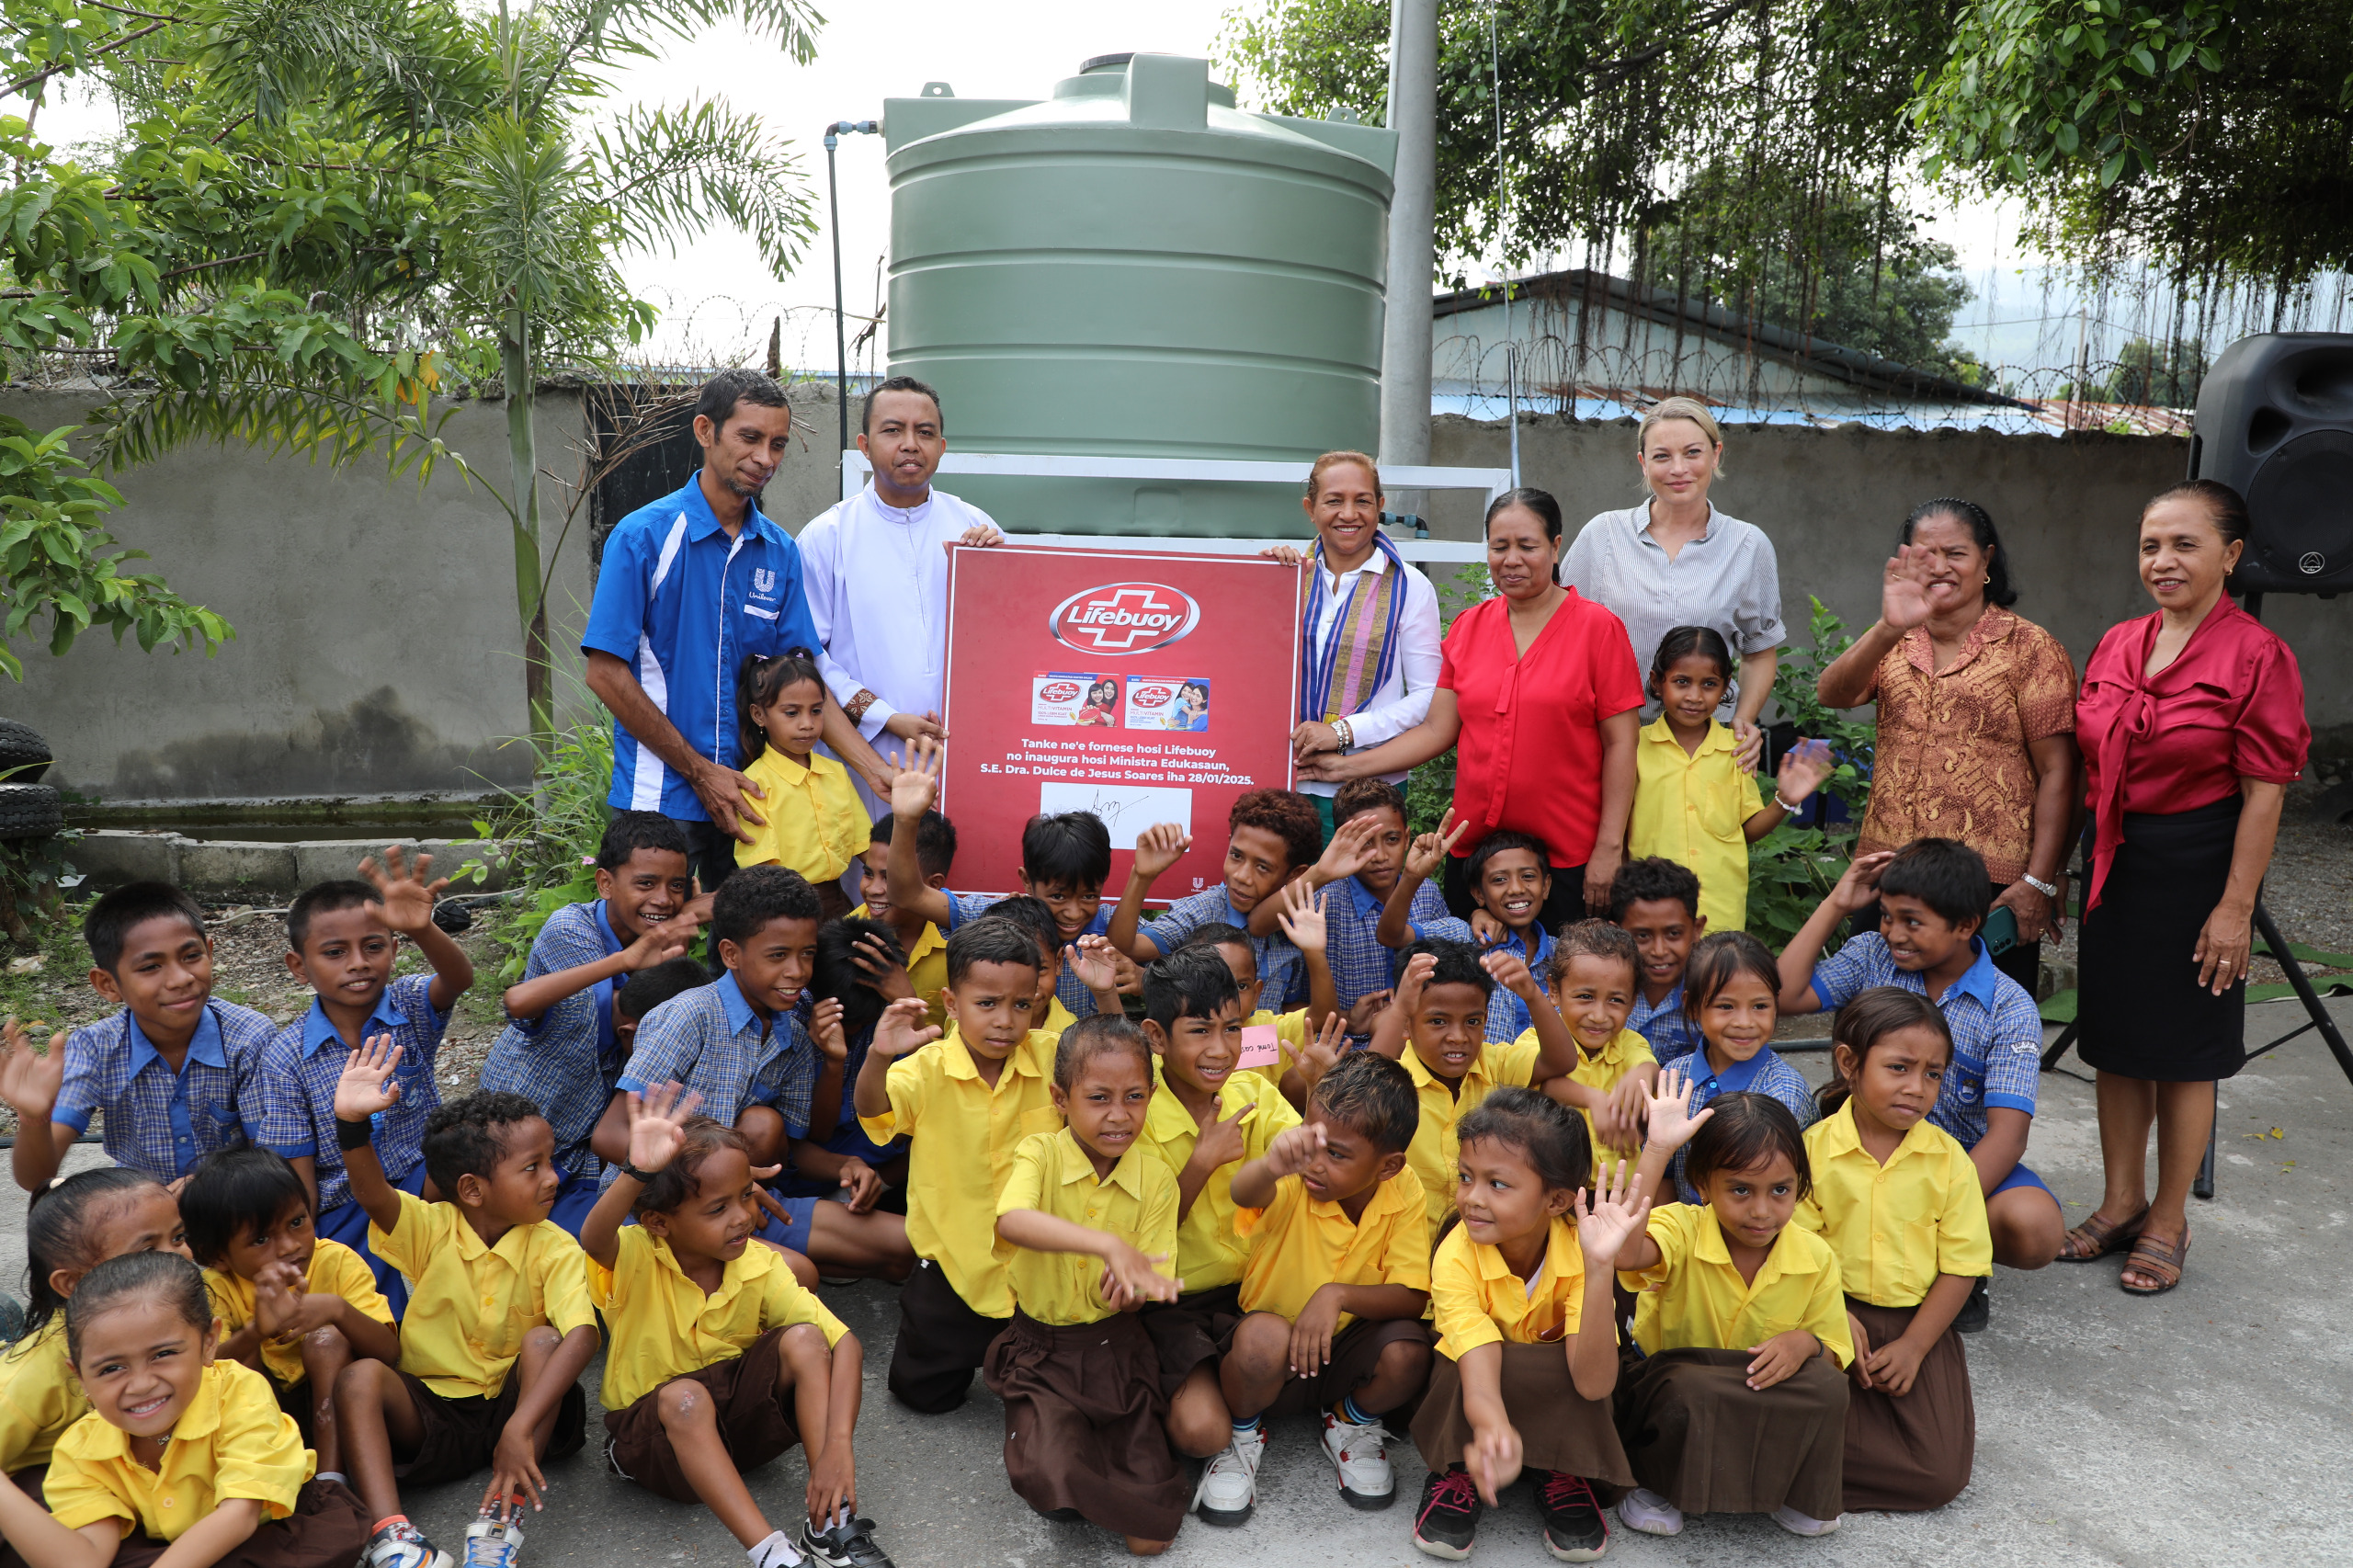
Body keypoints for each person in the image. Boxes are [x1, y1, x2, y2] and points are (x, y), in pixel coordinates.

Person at [2065, 479, 2309, 1296]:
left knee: (2183, 1052)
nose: (2162, 561)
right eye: (2150, 546)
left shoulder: (2256, 655)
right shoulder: (2117, 642)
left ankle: (2168, 1218)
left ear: (2231, 556)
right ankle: (2120, 1201)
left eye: (2184, 545)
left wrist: (2235, 908)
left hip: (2199, 863)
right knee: (2115, 1043)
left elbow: (2265, 791)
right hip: (2117, 861)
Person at [584, 369, 893, 889]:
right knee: (659, 952)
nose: (765, 458)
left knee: (754, 955)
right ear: (706, 431)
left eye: (778, 444)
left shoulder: (778, 550)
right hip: (659, 798)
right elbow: (605, 674)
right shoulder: (644, 537)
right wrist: (702, 773)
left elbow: (805, 677)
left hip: (757, 801)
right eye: (749, 438)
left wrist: (871, 769)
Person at [1302, 488, 1643, 922]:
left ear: (1556, 546)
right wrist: (1345, 767)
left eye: (1528, 546)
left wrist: (1609, 848)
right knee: (1469, 980)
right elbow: (1436, 731)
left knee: (1565, 978)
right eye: (1499, 547)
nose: (1512, 559)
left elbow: (1621, 746)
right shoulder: (1469, 628)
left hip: (1567, 858)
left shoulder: (1598, 629)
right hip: (1475, 858)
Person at [585, 1092, 887, 1568]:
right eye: (717, 1209)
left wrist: (836, 1448)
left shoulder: (759, 1264)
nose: (743, 1216)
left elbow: (845, 1342)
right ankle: (771, 1553)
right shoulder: (636, 1255)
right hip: (656, 1445)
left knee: (807, 1339)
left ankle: (828, 1522)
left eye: (746, 1194)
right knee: (685, 1398)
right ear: (658, 1223)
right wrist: (637, 1170)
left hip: (736, 1436)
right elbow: (594, 1237)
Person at [332, 1060, 600, 1568]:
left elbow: (582, 1335)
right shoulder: (430, 1228)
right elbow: (372, 1195)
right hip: (434, 1414)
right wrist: (352, 1125)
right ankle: (390, 1534)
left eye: (550, 1161)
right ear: (473, 1190)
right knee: (360, 1378)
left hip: (518, 1413)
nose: (554, 1177)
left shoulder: (556, 1246)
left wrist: (520, 1426)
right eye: (533, 1167)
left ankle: (503, 1520)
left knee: (543, 1341)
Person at [1776, 839, 2063, 1305]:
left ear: (1966, 925)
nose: (1893, 932)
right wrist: (1836, 904)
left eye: (1912, 921)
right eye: (1887, 916)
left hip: (1957, 1167)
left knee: (2035, 1227)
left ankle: (1954, 1268)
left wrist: (1938, 1210)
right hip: (1858, 1151)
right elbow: (1784, 997)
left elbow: (2008, 1136)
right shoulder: (1871, 955)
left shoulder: (2010, 1007)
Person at [1813, 498, 2080, 994]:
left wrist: (2040, 882)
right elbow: (1834, 694)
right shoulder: (1897, 636)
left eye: (1955, 553)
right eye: (1924, 554)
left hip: (1985, 885)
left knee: (1977, 1030)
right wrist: (1888, 626)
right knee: (1876, 1024)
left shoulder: (2031, 648)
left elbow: (2060, 773)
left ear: (1986, 561)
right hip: (1887, 876)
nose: (1938, 567)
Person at [608, 869, 906, 1281]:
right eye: (778, 955)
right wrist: (714, 1176)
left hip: (744, 1200)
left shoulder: (795, 1038)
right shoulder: (688, 1016)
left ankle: (763, 1256)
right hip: (661, 1210)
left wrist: (846, 1164)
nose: (798, 972)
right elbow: (610, 1135)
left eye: (807, 954)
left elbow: (796, 1148)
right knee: (799, 1276)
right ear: (731, 954)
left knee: (909, 1248)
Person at [0, 1252, 369, 1567]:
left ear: (209, 1343)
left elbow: (239, 1516)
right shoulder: (81, 1449)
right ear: (79, 1376)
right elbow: (88, 1557)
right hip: (173, 1552)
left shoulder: (237, 1392)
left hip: (273, 1534)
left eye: (163, 1355)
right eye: (111, 1368)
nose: (141, 1384)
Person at [1612, 1078, 1853, 1539]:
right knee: (1688, 1388)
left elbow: (1836, 1346)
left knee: (1827, 1387)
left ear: (1800, 1186)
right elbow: (1624, 1253)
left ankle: (1793, 1493)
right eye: (1740, 1190)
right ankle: (1657, 1487)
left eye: (1780, 1190)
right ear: (1702, 1185)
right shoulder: (1681, 1227)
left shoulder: (1815, 1255)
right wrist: (1658, 1149)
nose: (1762, 1210)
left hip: (1759, 1386)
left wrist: (1804, 1343)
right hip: (1675, 1385)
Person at [1408, 1090, 1641, 1562]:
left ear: (1556, 1200)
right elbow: (1478, 1354)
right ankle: (1459, 1469)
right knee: (1452, 1362)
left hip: (1562, 1390)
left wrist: (1600, 1271)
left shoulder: (1583, 1247)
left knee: (1564, 1364)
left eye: (1498, 1184)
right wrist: (1491, 1425)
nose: (1471, 1198)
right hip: (1476, 1383)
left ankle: (1563, 1468)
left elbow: (1594, 1383)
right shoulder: (1456, 1256)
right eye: (1466, 1177)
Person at [986, 1017, 1190, 1555]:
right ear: (1060, 1097)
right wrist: (1106, 1245)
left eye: (1134, 1097)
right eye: (1099, 1097)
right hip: (1041, 1353)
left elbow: (1146, 1281)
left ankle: (1113, 1449)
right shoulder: (1041, 1154)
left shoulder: (1157, 1180)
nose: (1119, 1115)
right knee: (1052, 1483)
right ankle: (1053, 1437)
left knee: (1149, 1539)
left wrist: (1130, 1292)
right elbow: (1011, 1221)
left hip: (1115, 1353)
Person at [1129, 948, 1312, 1524]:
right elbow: (1135, 1238)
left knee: (1264, 1349)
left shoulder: (1250, 1095)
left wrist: (1317, 1090)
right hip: (1171, 1301)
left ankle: (1248, 1425)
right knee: (1201, 1431)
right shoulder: (1133, 1110)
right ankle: (1230, 1418)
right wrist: (1201, 1161)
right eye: (1199, 1030)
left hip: (1251, 1291)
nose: (1221, 1049)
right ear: (1157, 1036)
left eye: (1231, 1028)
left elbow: (1308, 1151)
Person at [854, 921, 1062, 1415]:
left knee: (1043, 1393)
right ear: (951, 1003)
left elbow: (1115, 1070)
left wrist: (1106, 995)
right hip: (949, 1264)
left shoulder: (1055, 1056)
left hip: (1036, 1266)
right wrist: (879, 1056)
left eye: (1021, 1004)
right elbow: (873, 1109)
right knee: (921, 1394)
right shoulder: (923, 1068)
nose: (1005, 1021)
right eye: (986, 1004)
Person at [1793, 990, 1988, 1514]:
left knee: (1938, 1478)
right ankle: (1796, 1468)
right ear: (1849, 1063)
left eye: (1933, 1074)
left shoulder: (1950, 1161)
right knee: (1800, 1400)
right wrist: (1831, 1317)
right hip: (1828, 1315)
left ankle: (1795, 1476)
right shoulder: (1811, 1151)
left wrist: (1916, 1347)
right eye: (1899, 1067)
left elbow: (1961, 1267)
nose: (1916, 1088)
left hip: (1917, 1324)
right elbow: (1796, 1253)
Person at [256, 852, 475, 1314]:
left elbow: (459, 978)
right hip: (346, 1203)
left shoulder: (411, 1005)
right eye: (335, 953)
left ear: (394, 949)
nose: (358, 963)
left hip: (425, 1182)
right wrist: (305, 1240)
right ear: (299, 967)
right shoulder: (285, 1055)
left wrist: (422, 928)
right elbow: (298, 1169)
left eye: (373, 946)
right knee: (369, 1308)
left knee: (467, 1273)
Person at [1220, 1051, 1433, 1515]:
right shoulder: (1296, 1171)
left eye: (1336, 1154)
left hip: (1345, 1353)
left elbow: (1415, 1295)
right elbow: (1244, 1192)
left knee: (1410, 1354)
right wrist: (1273, 1165)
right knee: (1259, 1341)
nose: (1316, 1162)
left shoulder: (1406, 1188)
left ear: (1388, 1167)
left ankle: (1348, 1421)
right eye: (1311, 1141)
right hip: (1272, 1347)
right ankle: (1240, 1434)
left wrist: (1336, 1295)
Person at [478, 812, 709, 1235]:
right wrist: (631, 960)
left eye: (676, 887)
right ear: (604, 883)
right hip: (520, 1130)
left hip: (583, 1146)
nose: (663, 899)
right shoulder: (570, 930)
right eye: (645, 883)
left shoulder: (664, 941)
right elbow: (526, 1004)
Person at [798, 374, 1005, 820]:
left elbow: (1013, 643)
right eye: (893, 431)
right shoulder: (828, 536)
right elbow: (807, 657)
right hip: (870, 754)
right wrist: (885, 717)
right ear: (865, 445)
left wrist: (1000, 570)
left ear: (942, 447)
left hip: (966, 749)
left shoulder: (975, 527)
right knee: (873, 882)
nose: (910, 444)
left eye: (924, 432)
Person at [2, 882, 274, 1193]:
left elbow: (269, 1158)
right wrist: (34, 1119)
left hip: (237, 1202)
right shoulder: (95, 1048)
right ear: (107, 984)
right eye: (151, 967)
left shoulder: (249, 1036)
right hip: (142, 1215)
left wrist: (202, 1186)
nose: (181, 978)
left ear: (209, 953)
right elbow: (37, 1178)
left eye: (191, 956)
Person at [1561, 396, 1785, 768]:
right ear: (1643, 463)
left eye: (1692, 453)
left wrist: (1743, 719)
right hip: (1607, 744)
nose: (1678, 469)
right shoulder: (1603, 535)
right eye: (1662, 456)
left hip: (1700, 750)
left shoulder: (1748, 545)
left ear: (1716, 455)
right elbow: (1562, 634)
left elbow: (1759, 649)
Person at [182, 1148, 398, 1483]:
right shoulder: (214, 1288)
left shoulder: (336, 1261)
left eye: (297, 1222)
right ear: (219, 1256)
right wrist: (255, 1332)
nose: (288, 1246)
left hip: (341, 1408)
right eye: (261, 1239)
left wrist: (337, 1310)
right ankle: (267, 1472)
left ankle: (331, 1479)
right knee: (236, 1364)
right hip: (265, 1415)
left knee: (326, 1339)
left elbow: (390, 1352)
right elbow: (200, 1375)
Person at [1260, 452, 1444, 837]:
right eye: (1333, 501)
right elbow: (1241, 669)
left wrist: (1344, 731)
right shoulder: (1284, 577)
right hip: (1278, 782)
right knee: (1281, 896)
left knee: (1359, 897)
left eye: (1362, 500)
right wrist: (1255, 581)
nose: (1349, 513)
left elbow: (1429, 696)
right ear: (1310, 509)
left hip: (1367, 792)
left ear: (1379, 506)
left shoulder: (1410, 587)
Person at [883, 738, 1116, 1021]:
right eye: (1058, 896)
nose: (1074, 912)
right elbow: (907, 895)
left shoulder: (1105, 930)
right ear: (1027, 883)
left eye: (1089, 896)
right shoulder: (992, 921)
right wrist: (906, 821)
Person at [0, 1169, 196, 1499]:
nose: (181, 1257)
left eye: (177, 1238)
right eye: (148, 1252)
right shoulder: (32, 1376)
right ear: (72, 1284)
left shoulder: (183, 1315)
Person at [1363, 942, 1581, 1233]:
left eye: (1472, 1021)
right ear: (1406, 1025)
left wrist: (1532, 995)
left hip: (1481, 1243)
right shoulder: (1392, 1077)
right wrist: (1401, 1005)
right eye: (1438, 1021)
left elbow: (1562, 1060)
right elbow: (1362, 1085)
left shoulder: (1495, 1064)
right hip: (1408, 1246)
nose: (1458, 1037)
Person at [1630, 626, 1835, 935]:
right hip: (1648, 912)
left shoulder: (1737, 750)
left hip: (1719, 913)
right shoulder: (1634, 747)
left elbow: (1746, 830)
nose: (1695, 696)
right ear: (1657, 683)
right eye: (1682, 682)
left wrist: (1785, 800)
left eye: (1709, 684)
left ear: (1726, 688)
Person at [1244, 779, 1446, 1033]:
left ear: (1406, 838)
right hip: (1336, 1044)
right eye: (1365, 842)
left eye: (1391, 839)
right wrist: (1322, 873)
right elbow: (1258, 924)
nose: (1381, 856)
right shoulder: (1323, 897)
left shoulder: (1426, 893)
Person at [1109, 790, 1322, 1010]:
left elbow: (1290, 1005)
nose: (1241, 876)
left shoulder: (1298, 925)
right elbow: (1126, 948)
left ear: (1295, 874)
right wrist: (1141, 876)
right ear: (1229, 843)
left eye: (1262, 867)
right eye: (1236, 856)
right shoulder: (1205, 910)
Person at [1655, 932, 1814, 1203]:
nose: (1744, 1022)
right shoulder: (1674, 1079)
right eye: (1726, 1006)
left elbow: (1794, 1194)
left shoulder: (1785, 1094)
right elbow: (1664, 1174)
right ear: (1692, 1006)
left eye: (1760, 1006)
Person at [1372, 820, 1552, 1042]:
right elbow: (1391, 935)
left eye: (1528, 876)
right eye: (1499, 880)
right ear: (1478, 894)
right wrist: (1412, 876)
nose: (1516, 888)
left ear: (1545, 886)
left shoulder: (1561, 954)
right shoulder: (1462, 935)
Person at [733, 651, 870, 920]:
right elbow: (761, 871)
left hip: (837, 905)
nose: (808, 724)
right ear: (759, 715)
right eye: (792, 713)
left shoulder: (835, 773)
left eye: (816, 711)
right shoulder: (754, 784)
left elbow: (865, 846)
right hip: (783, 911)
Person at [1531, 921, 1659, 1182]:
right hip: (1557, 1189)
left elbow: (1648, 1067)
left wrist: (1644, 1074)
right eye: (1585, 997)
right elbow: (1540, 1081)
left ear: (1633, 1002)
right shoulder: (1538, 1039)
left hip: (1619, 1194)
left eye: (1615, 1000)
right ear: (1554, 991)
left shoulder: (1629, 1043)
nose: (1599, 1016)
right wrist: (1593, 1099)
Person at [849, 809, 954, 1029]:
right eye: (868, 873)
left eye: (890, 878)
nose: (873, 889)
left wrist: (905, 998)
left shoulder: (958, 947)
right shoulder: (847, 933)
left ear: (933, 885)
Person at [1608, 859, 1703, 1062]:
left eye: (1674, 933)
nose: (1659, 951)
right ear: (1616, 933)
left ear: (1697, 930)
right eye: (1642, 936)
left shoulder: (1709, 994)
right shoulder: (1600, 990)